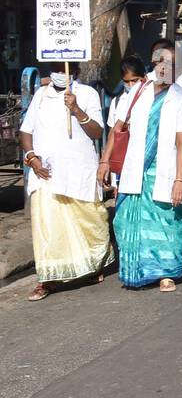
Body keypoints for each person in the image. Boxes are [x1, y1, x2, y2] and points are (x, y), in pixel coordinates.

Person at [102, 42, 182, 292]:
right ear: (154, 64)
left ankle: (166, 273)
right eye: (162, 62)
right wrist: (104, 162)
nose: (166, 68)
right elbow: (117, 128)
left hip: (164, 171)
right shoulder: (136, 92)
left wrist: (178, 180)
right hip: (134, 172)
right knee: (129, 221)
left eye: (173, 64)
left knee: (166, 222)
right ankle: (136, 270)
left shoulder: (181, 97)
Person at [20, 64, 114, 301]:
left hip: (78, 171)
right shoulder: (41, 96)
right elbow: (26, 130)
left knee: (89, 221)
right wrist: (31, 157)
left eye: (65, 70)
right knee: (47, 227)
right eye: (55, 69)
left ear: (77, 73)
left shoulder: (87, 94)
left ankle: (93, 266)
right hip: (45, 174)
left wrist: (76, 110)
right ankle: (47, 278)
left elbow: (96, 132)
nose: (59, 73)